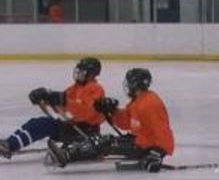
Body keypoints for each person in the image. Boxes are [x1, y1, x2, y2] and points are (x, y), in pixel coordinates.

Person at [47, 67, 175, 172]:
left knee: (104, 142)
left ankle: (67, 155)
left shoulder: (150, 103)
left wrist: (156, 154)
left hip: (144, 146)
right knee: (103, 140)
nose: (128, 86)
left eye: (129, 82)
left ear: (136, 84)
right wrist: (111, 111)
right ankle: (68, 152)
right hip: (138, 141)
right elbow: (126, 123)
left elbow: (163, 132)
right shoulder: (138, 101)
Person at [0, 57, 105, 158]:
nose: (78, 73)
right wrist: (45, 99)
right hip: (72, 126)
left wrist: (62, 100)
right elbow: (61, 105)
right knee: (37, 122)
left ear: (90, 74)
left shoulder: (95, 89)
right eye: (78, 70)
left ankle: (10, 145)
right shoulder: (75, 87)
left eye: (82, 72)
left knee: (42, 124)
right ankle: (9, 143)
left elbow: (86, 111)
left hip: (85, 130)